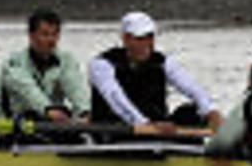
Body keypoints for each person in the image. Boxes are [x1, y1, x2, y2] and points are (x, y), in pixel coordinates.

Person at [88, 11, 224, 134]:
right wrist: (145, 124)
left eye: (150, 37)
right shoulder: (102, 65)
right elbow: (116, 99)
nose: (147, 44)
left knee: (191, 112)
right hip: (116, 131)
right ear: (125, 39)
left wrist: (212, 111)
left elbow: (193, 88)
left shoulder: (162, 62)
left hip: (155, 129)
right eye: (140, 39)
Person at [0, 8, 91, 123]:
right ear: (31, 36)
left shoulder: (66, 60)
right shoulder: (13, 64)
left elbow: (75, 87)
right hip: (19, 121)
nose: (51, 40)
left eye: (55, 34)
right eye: (45, 34)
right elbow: (28, 90)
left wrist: (85, 111)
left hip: (52, 121)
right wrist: (48, 109)